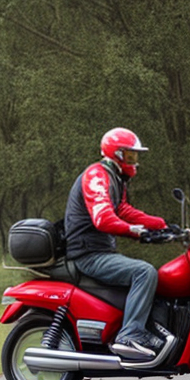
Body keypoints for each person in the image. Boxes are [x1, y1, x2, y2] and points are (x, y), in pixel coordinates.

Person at [64, 127, 168, 361]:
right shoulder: (97, 175)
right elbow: (103, 218)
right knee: (144, 272)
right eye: (130, 155)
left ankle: (150, 331)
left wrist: (162, 224)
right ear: (117, 154)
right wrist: (135, 231)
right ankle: (130, 336)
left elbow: (122, 210)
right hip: (88, 253)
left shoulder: (114, 179)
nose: (134, 161)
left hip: (98, 251)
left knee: (153, 274)